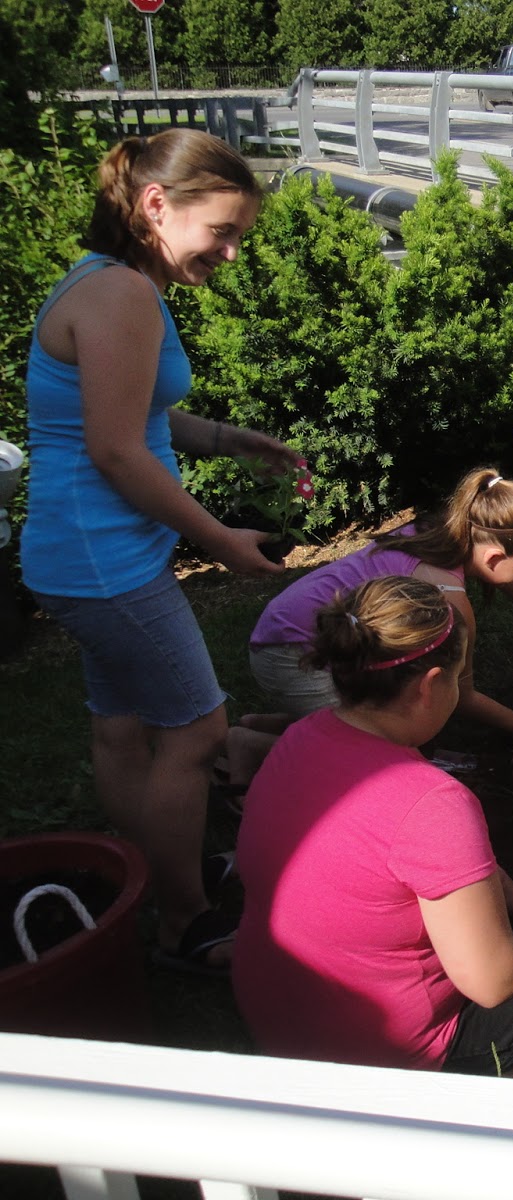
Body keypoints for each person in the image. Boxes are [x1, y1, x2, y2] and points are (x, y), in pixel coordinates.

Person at [21, 128, 297, 974]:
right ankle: (185, 920)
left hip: (81, 554)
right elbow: (115, 450)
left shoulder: (109, 283)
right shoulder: (123, 298)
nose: (232, 251)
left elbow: (135, 416)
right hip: (104, 560)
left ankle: (159, 878)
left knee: (122, 730)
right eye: (222, 231)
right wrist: (220, 540)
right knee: (197, 727)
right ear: (154, 206)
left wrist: (231, 439)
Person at [233, 575, 513, 1074]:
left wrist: (497, 880)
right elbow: (492, 981)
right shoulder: (432, 802)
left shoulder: (300, 737)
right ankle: (453, 1097)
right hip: (374, 1055)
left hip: (277, 1008)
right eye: (459, 679)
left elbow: (367, 845)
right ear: (429, 684)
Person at [247, 467, 513, 739]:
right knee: (365, 745)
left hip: (287, 620)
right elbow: (461, 696)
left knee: (358, 716)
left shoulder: (452, 531)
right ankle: (255, 747)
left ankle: (262, 726)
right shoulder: (449, 601)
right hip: (291, 651)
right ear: (493, 558)